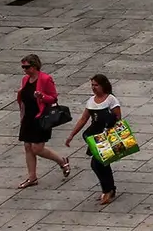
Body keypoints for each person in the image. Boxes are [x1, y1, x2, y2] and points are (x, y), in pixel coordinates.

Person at [63, 74, 124, 206]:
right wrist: (71, 135)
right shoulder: (91, 101)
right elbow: (84, 119)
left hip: (106, 137)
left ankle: (108, 190)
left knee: (98, 164)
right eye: (92, 85)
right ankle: (109, 189)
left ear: (103, 85)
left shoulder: (111, 100)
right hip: (94, 137)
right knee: (101, 164)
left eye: (96, 85)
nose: (94, 88)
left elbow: (118, 118)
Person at [16, 55, 71, 187]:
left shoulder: (46, 79)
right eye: (23, 66)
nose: (24, 69)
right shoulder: (25, 79)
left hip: (40, 117)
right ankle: (32, 177)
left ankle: (61, 161)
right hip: (28, 117)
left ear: (34, 66)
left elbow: (53, 98)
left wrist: (42, 96)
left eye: (26, 67)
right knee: (28, 147)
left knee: (37, 148)